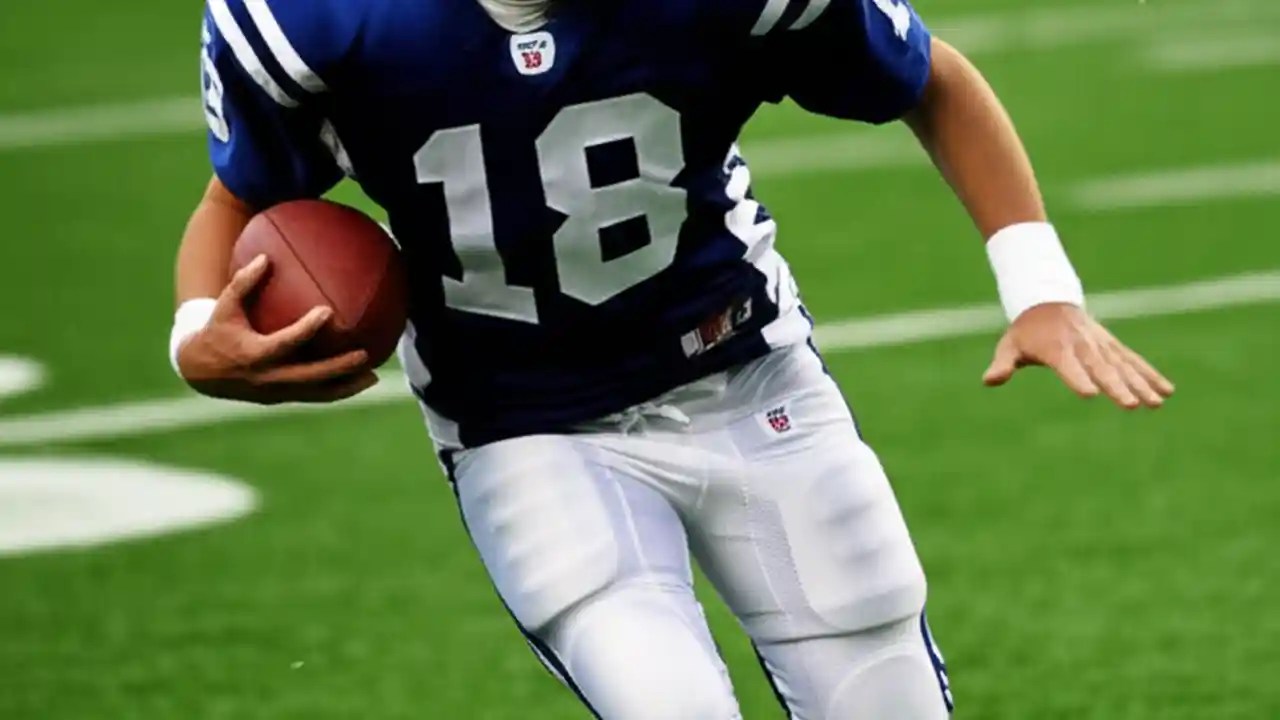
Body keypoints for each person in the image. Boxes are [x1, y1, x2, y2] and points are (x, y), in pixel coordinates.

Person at [171, 0, 1176, 716]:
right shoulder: (312, 23)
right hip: (527, 425)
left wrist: (1040, 289)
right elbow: (239, 199)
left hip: (747, 377)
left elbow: (930, 80)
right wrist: (196, 338)